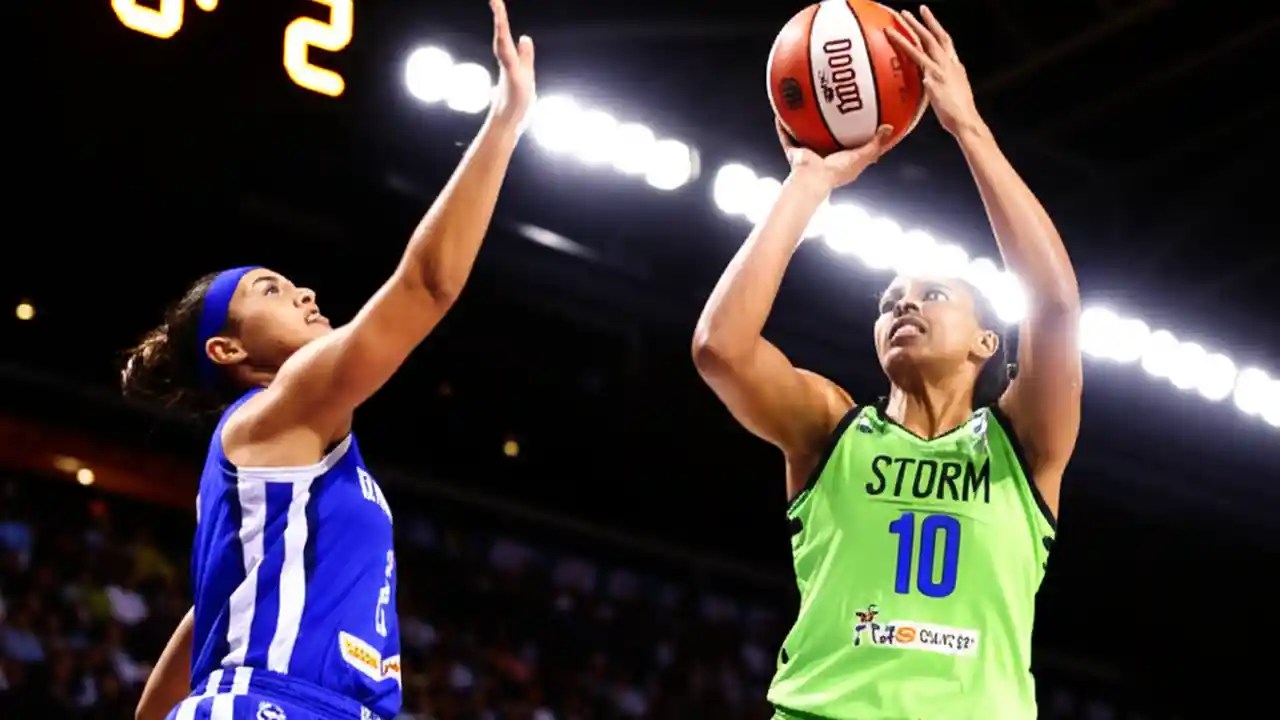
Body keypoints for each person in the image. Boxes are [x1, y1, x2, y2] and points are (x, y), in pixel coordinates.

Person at [123, 3, 536, 718]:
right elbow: (428, 286)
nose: (304, 292)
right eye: (270, 290)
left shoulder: (277, 461)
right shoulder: (279, 405)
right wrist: (504, 123)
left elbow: (204, 621)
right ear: (228, 349)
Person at [691, 6, 1081, 720]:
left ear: (985, 342)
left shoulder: (1021, 447)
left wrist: (969, 128)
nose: (903, 305)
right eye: (888, 301)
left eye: (933, 295)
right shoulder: (831, 429)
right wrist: (808, 184)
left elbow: (1054, 305)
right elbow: (721, 348)